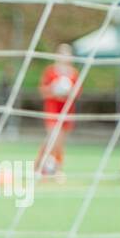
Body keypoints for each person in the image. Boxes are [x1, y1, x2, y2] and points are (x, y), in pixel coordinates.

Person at [37, 43, 80, 178]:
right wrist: (54, 89)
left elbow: (77, 93)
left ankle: (42, 166)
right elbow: (43, 91)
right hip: (52, 110)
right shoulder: (50, 71)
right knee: (54, 138)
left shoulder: (74, 73)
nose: (65, 56)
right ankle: (53, 169)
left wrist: (68, 92)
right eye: (62, 53)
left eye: (67, 53)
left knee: (58, 141)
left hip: (66, 111)